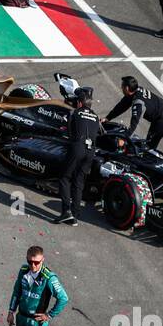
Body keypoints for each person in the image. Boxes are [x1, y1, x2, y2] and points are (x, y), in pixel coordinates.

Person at [105, 75, 163, 163]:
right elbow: (122, 106)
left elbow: (135, 124)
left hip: (161, 122)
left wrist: (125, 139)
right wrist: (108, 118)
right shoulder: (137, 91)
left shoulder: (138, 103)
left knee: (148, 147)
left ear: (126, 88)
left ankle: (151, 168)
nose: (121, 87)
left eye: (122, 86)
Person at [57, 86, 100, 225]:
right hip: (90, 151)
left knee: (64, 177)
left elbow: (69, 133)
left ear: (80, 103)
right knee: (79, 181)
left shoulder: (75, 113)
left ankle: (66, 212)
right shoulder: (96, 117)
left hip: (78, 148)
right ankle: (74, 216)